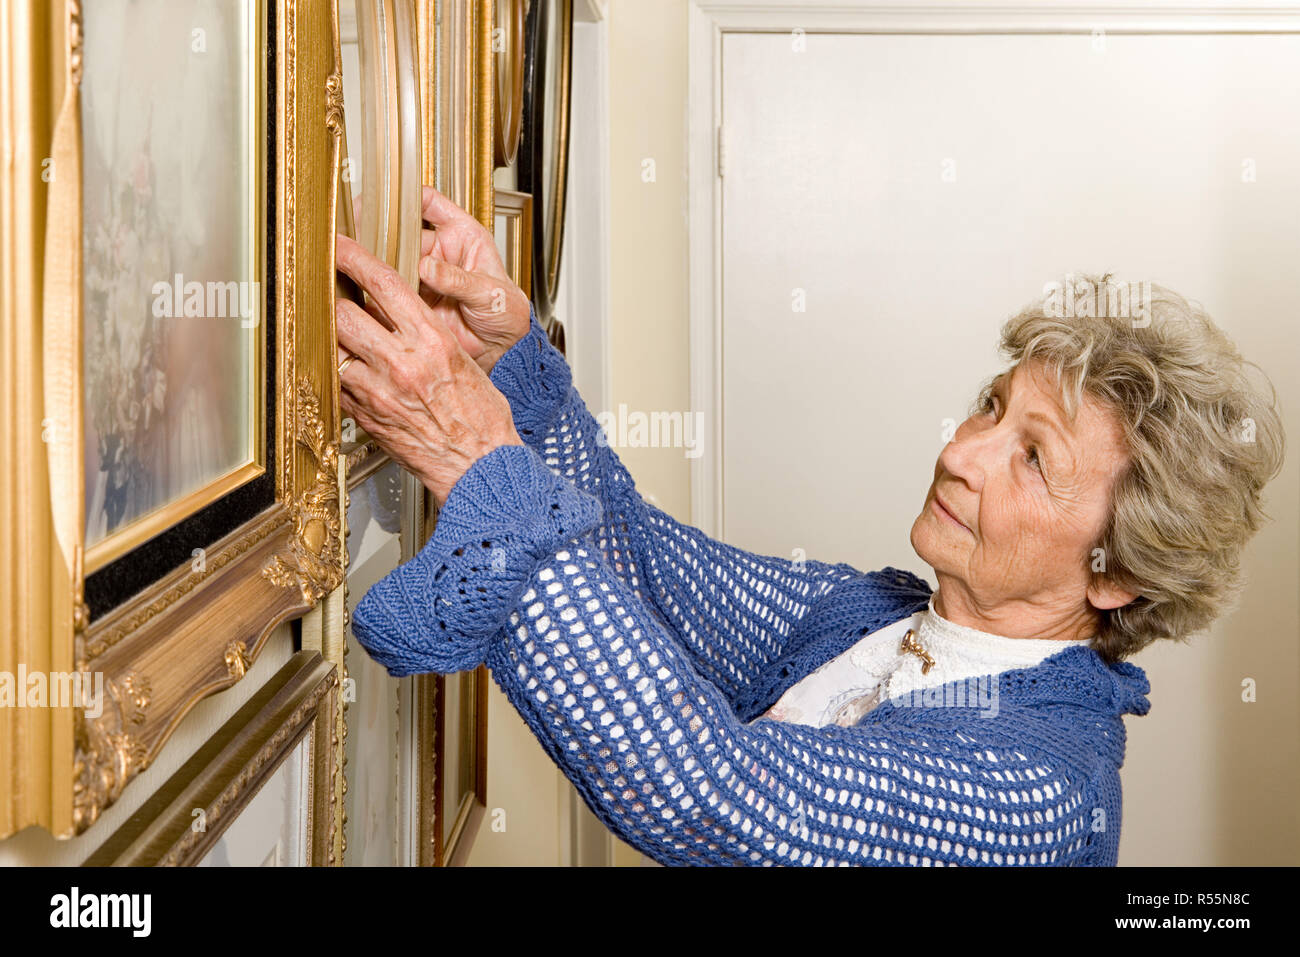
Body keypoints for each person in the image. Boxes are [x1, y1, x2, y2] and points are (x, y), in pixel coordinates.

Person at [338, 185, 1285, 866]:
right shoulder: (878, 615)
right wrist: (509, 365)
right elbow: (649, 561)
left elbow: (719, 794)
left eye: (1033, 457)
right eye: (992, 407)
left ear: (1115, 573)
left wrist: (481, 465)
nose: (962, 452)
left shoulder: (1038, 792)